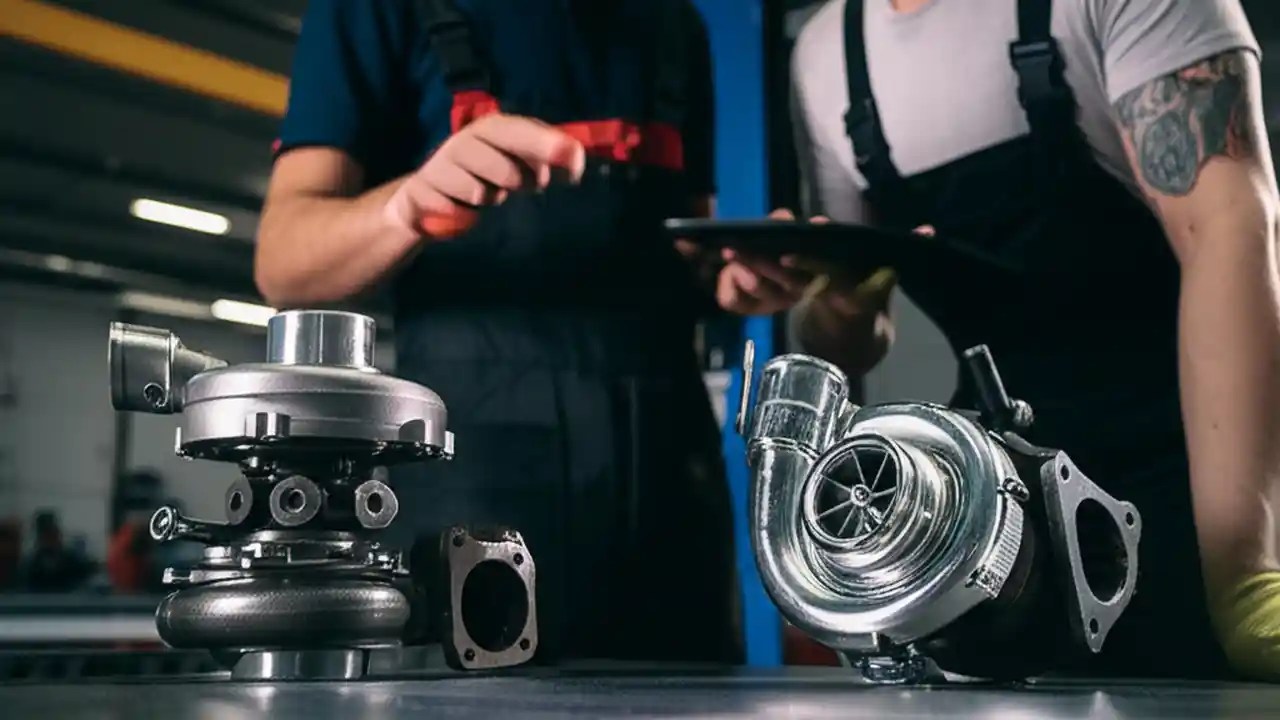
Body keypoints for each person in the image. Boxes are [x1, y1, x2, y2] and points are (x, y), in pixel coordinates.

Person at [708, 0, 1280, 679]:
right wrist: (827, 294)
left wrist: (1244, 572)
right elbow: (857, 338)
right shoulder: (828, 51)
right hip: (1004, 508)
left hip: (1201, 470)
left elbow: (1230, 229)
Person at [254, 0, 740, 664]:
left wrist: (739, 272)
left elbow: (692, 248)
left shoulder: (675, 22)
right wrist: (407, 206)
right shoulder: (373, 8)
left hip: (671, 484)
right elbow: (283, 260)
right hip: (475, 479)